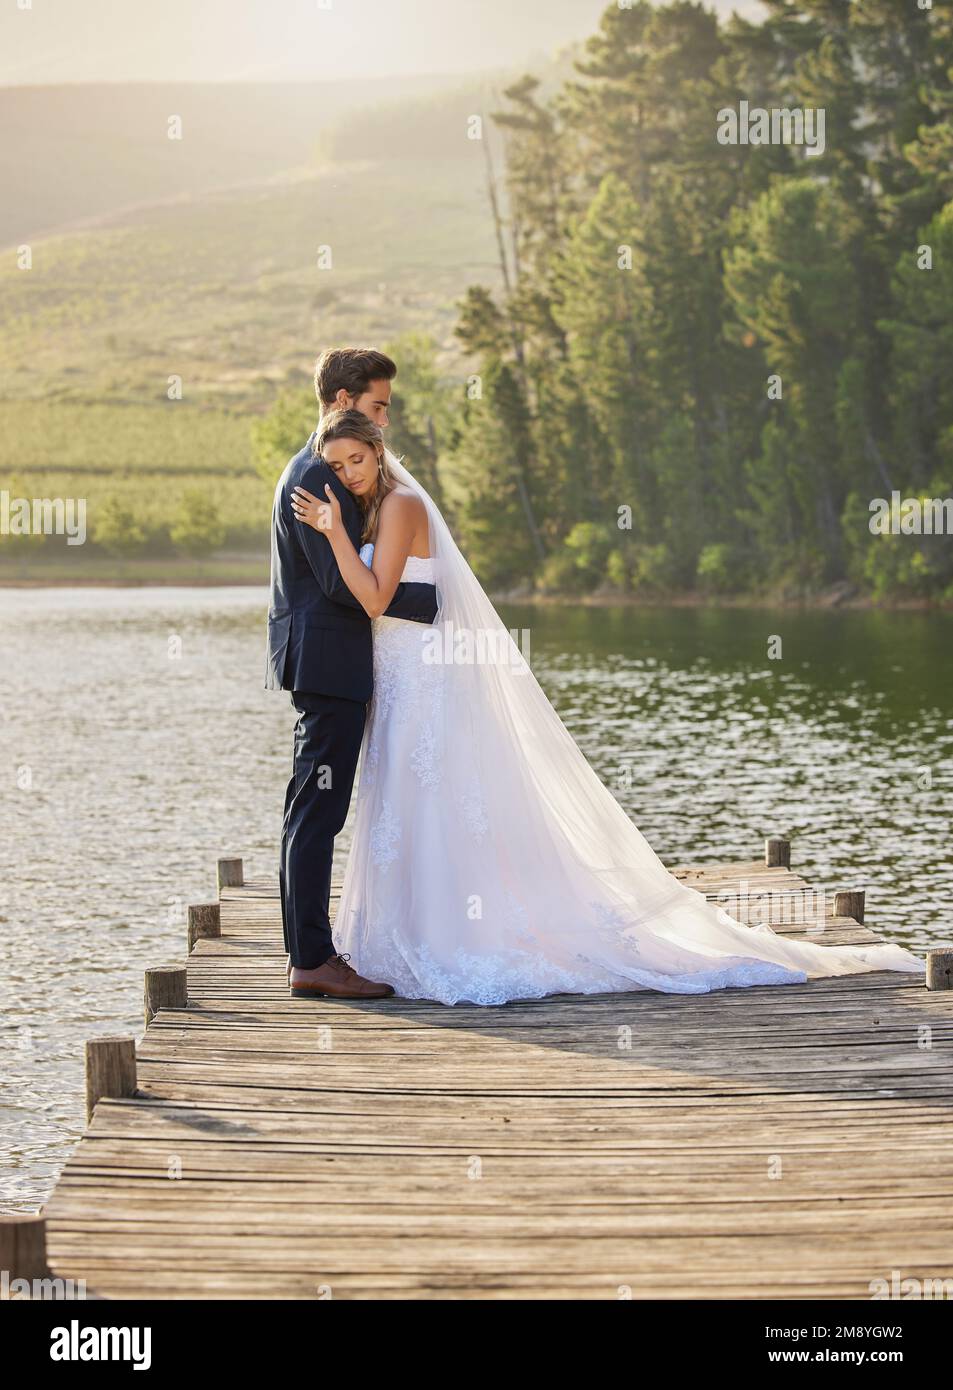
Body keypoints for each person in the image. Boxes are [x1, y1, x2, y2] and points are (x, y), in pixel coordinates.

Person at [289, 407, 926, 1006]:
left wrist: (334, 529)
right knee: (408, 801)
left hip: (418, 677)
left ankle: (456, 937)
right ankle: (411, 932)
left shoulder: (398, 505)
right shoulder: (377, 509)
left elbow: (373, 599)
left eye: (356, 460)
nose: (347, 474)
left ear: (378, 453)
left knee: (430, 798)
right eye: (337, 465)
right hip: (399, 676)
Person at [266, 349, 437, 1000]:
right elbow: (346, 587)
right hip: (328, 661)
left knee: (309, 811)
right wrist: (429, 605)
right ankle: (312, 959)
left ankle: (308, 952)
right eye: (376, 405)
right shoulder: (321, 475)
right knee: (316, 813)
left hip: (322, 660)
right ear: (342, 401)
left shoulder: (314, 466)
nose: (382, 422)